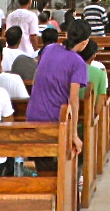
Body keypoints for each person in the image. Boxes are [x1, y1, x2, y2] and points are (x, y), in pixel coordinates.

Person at [24, 19, 90, 171]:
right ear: (85, 42)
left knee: (44, 164)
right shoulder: (78, 63)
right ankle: (64, 185)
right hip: (55, 120)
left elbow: (36, 79)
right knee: (80, 145)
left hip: (33, 114)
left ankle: (47, 181)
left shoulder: (49, 49)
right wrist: (74, 135)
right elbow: (73, 100)